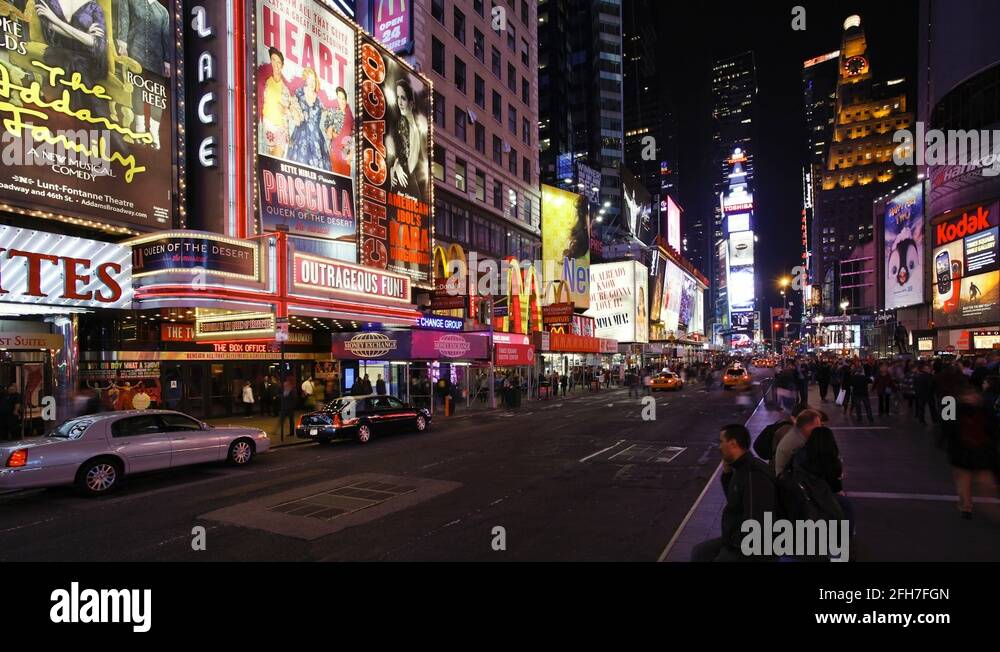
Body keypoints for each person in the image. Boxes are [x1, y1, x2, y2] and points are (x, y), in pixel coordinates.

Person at [691, 424, 777, 562]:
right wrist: (727, 474)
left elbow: (756, 522)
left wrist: (732, 546)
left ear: (733, 444)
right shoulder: (740, 468)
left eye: (721, 442)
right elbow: (735, 501)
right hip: (735, 539)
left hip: (750, 548)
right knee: (699, 552)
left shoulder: (753, 475)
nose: (719, 447)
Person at [114, 0, 171, 149]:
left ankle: (154, 134)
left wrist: (167, 61)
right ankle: (139, 129)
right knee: (137, 91)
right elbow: (124, 19)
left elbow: (166, 38)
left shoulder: (163, 12)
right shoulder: (131, 1)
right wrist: (122, 45)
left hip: (156, 58)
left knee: (156, 97)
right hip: (135, 53)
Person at [941, 385, 1000, 518]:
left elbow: (992, 428)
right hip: (962, 451)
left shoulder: (984, 409)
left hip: (980, 451)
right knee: (964, 482)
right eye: (968, 396)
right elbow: (946, 427)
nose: (972, 398)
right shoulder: (952, 407)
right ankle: (966, 507)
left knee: (985, 481)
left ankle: (982, 507)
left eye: (973, 395)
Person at [792, 426, 854, 537]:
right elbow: (836, 489)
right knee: (846, 505)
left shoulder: (800, 455)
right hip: (823, 496)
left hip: (802, 494)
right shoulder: (833, 462)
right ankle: (846, 537)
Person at [386, 78, 429, 203]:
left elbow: (403, 153)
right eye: (398, 97)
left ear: (411, 103)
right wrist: (394, 167)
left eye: (403, 98)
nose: (399, 102)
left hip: (405, 178)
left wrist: (395, 167)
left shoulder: (406, 123)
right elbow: (401, 153)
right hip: (406, 178)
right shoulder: (410, 124)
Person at [286, 67, 332, 171]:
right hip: (300, 136)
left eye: (314, 80)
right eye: (309, 79)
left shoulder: (320, 100)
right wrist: (293, 113)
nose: (312, 83)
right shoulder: (299, 93)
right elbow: (289, 107)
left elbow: (330, 113)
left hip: (316, 139)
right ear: (305, 80)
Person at [260, 47, 294, 157]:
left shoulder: (286, 88)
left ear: (282, 65)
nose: (276, 64)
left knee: (277, 161)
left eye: (279, 62)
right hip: (267, 125)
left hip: (281, 128)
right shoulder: (264, 82)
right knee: (267, 160)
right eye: (273, 60)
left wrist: (286, 110)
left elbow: (293, 111)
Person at [773, 408, 824, 476]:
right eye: (817, 424)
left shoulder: (797, 433)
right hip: (788, 481)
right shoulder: (798, 443)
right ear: (808, 426)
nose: (820, 427)